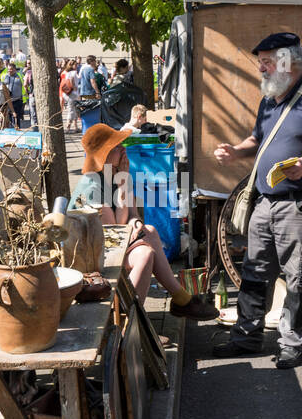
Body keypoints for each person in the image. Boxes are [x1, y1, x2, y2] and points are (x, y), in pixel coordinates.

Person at [209, 32, 302, 370]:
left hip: (299, 206)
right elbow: (257, 140)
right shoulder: (269, 99)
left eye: (269, 60)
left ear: (291, 61)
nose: (261, 67)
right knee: (255, 272)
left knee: (300, 276)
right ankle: (246, 338)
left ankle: (294, 344)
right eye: (262, 61)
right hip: (265, 203)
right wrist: (235, 151)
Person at [72, 123, 217, 318]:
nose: (123, 148)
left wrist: (136, 223)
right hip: (91, 256)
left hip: (110, 245)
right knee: (146, 250)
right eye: (116, 147)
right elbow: (114, 229)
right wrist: (123, 183)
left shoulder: (116, 172)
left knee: (148, 235)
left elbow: (131, 215)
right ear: (104, 155)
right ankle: (152, 310)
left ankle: (139, 313)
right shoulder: (93, 187)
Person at [3, 62, 24, 127]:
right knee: (8, 119)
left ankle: (17, 132)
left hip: (17, 101)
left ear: (15, 69)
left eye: (11, 69)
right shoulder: (5, 76)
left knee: (16, 119)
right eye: (8, 69)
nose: (9, 70)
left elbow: (25, 86)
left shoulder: (20, 76)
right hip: (8, 101)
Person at [60, 59, 79, 133]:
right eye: (75, 65)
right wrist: (74, 86)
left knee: (73, 110)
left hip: (67, 93)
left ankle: (75, 127)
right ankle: (68, 127)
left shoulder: (67, 72)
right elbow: (71, 80)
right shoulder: (73, 72)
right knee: (72, 110)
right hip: (73, 94)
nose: (76, 66)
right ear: (72, 65)